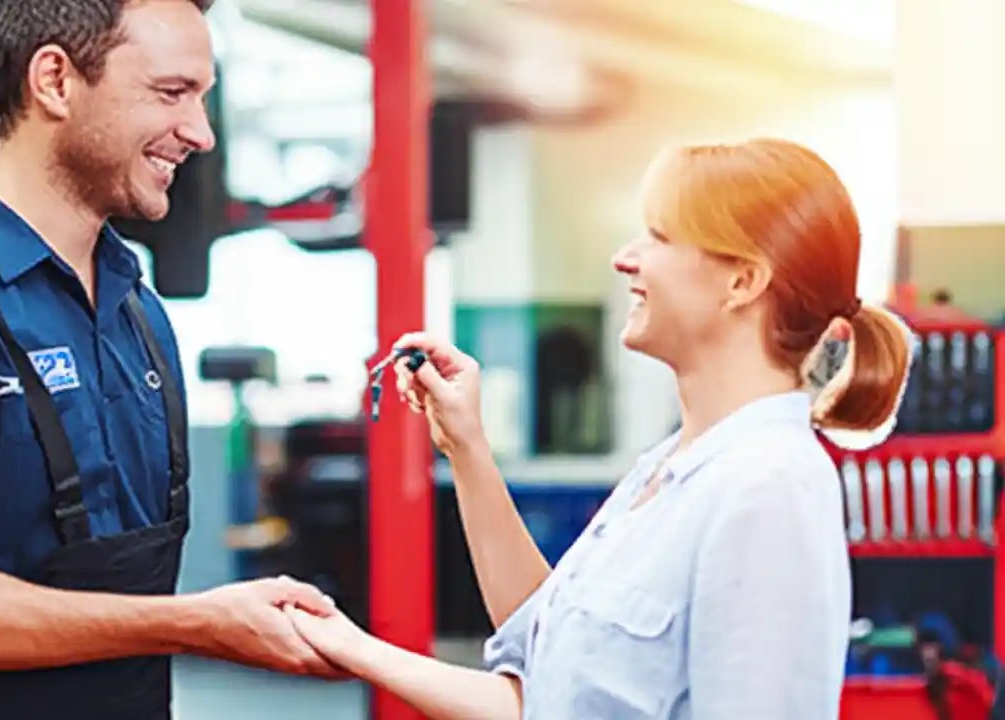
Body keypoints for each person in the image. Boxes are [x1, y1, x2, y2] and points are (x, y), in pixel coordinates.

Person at [0, 1, 341, 718]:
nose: (200, 133)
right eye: (171, 93)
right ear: (54, 80)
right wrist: (192, 623)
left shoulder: (137, 311)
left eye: (203, 98)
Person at [284, 137, 913, 719]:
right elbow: (542, 679)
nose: (624, 258)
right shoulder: (669, 469)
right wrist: (465, 446)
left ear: (742, 281)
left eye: (658, 236)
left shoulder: (769, 487)